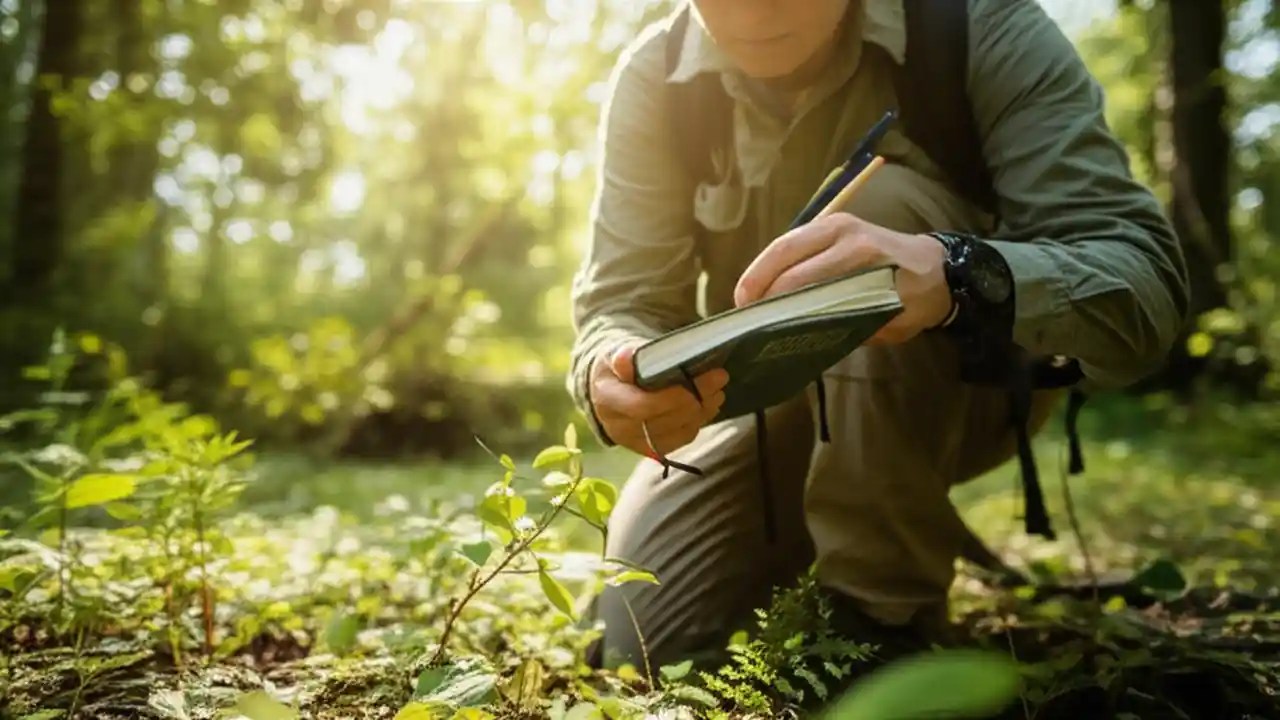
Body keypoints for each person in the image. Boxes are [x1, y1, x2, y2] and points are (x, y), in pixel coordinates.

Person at [565, 0, 1190, 670]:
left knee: (874, 212)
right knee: (644, 644)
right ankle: (818, 543)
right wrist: (607, 368)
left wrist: (957, 275)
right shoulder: (656, 77)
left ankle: (879, 625)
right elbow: (622, 302)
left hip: (963, 392)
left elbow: (1145, 290)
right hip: (766, 405)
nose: (750, 8)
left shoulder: (980, 28)